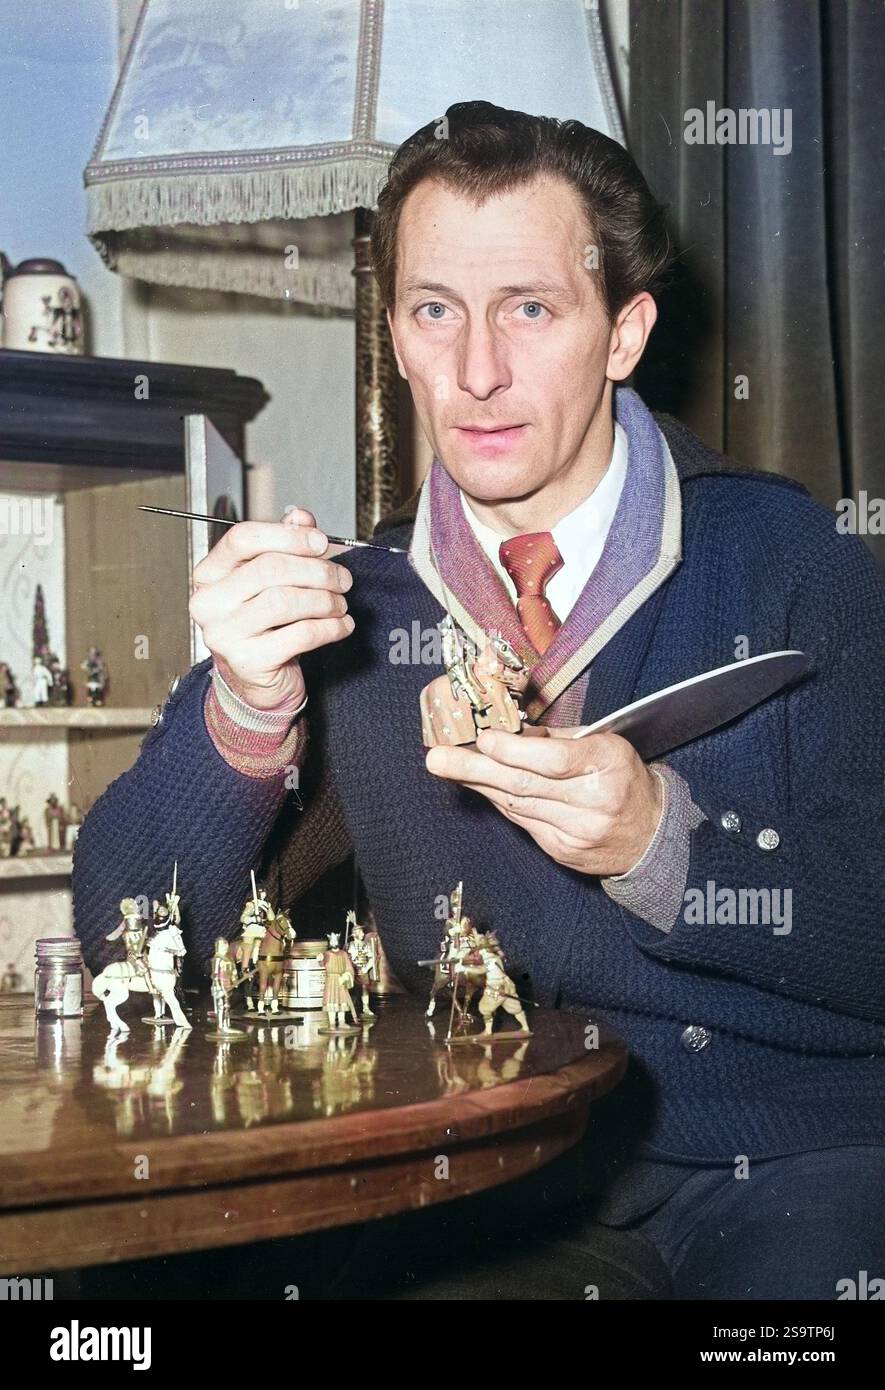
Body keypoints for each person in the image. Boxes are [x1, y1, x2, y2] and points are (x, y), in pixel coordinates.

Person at [72, 101, 885, 1300]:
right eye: (435, 310)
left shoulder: (791, 558)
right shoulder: (357, 609)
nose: (477, 372)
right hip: (500, 1180)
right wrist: (244, 707)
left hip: (800, 1156)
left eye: (532, 309)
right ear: (396, 335)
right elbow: (122, 942)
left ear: (623, 332)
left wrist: (667, 846)